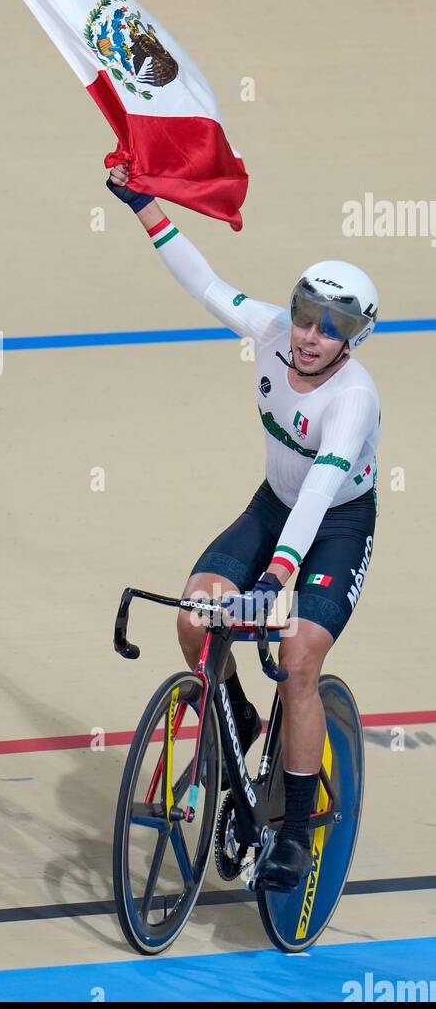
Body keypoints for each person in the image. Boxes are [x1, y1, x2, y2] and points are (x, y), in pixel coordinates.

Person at [107, 164, 380, 891]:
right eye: (305, 316)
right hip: (275, 505)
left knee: (296, 660)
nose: (312, 337)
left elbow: (323, 491)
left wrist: (281, 574)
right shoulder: (266, 329)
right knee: (198, 617)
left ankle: (292, 828)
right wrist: (144, 204)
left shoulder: (353, 401)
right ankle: (238, 723)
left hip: (335, 526)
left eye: (334, 328)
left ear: (354, 340)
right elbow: (204, 282)